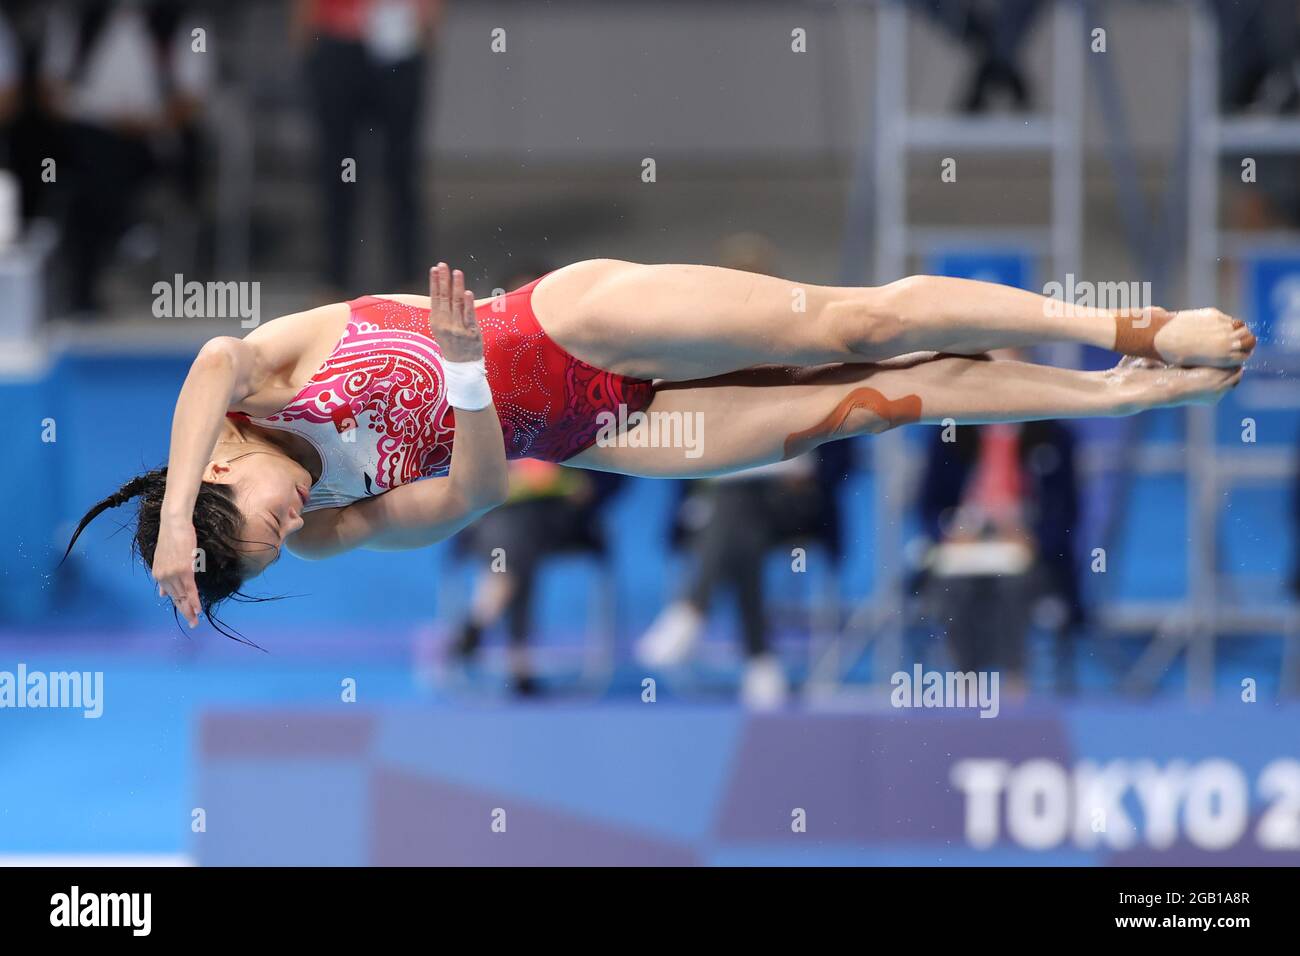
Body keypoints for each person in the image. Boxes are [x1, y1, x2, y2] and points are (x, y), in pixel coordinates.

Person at [61, 258, 1254, 635]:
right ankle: (1121, 395)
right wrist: (464, 372)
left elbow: (208, 358)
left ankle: (1127, 323)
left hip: (570, 319)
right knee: (881, 398)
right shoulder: (325, 536)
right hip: (599, 430)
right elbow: (474, 489)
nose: (291, 526)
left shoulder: (260, 384)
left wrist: (173, 530)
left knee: (859, 324)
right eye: (279, 544)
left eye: (266, 519)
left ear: (220, 466)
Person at [292, 0, 442, 299]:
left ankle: (408, 279)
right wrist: (305, 30)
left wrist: (427, 24)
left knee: (401, 168)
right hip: (338, 38)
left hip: (398, 37)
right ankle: (333, 279)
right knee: (337, 168)